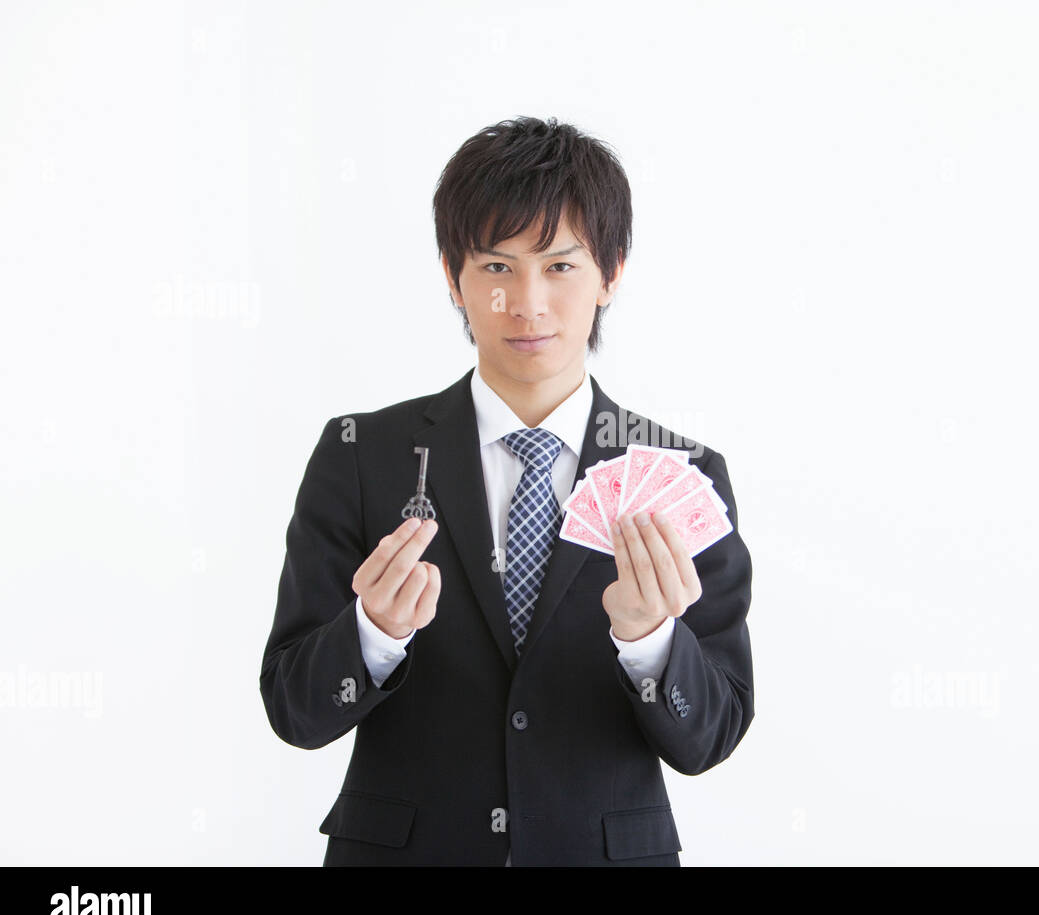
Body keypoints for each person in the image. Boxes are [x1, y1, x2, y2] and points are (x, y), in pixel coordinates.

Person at [259, 116, 755, 865]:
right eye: (497, 267)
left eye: (560, 267)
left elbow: (711, 734)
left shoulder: (680, 474)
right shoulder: (362, 455)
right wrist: (374, 634)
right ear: (454, 276)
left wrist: (649, 640)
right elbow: (295, 710)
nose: (527, 303)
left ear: (612, 272)